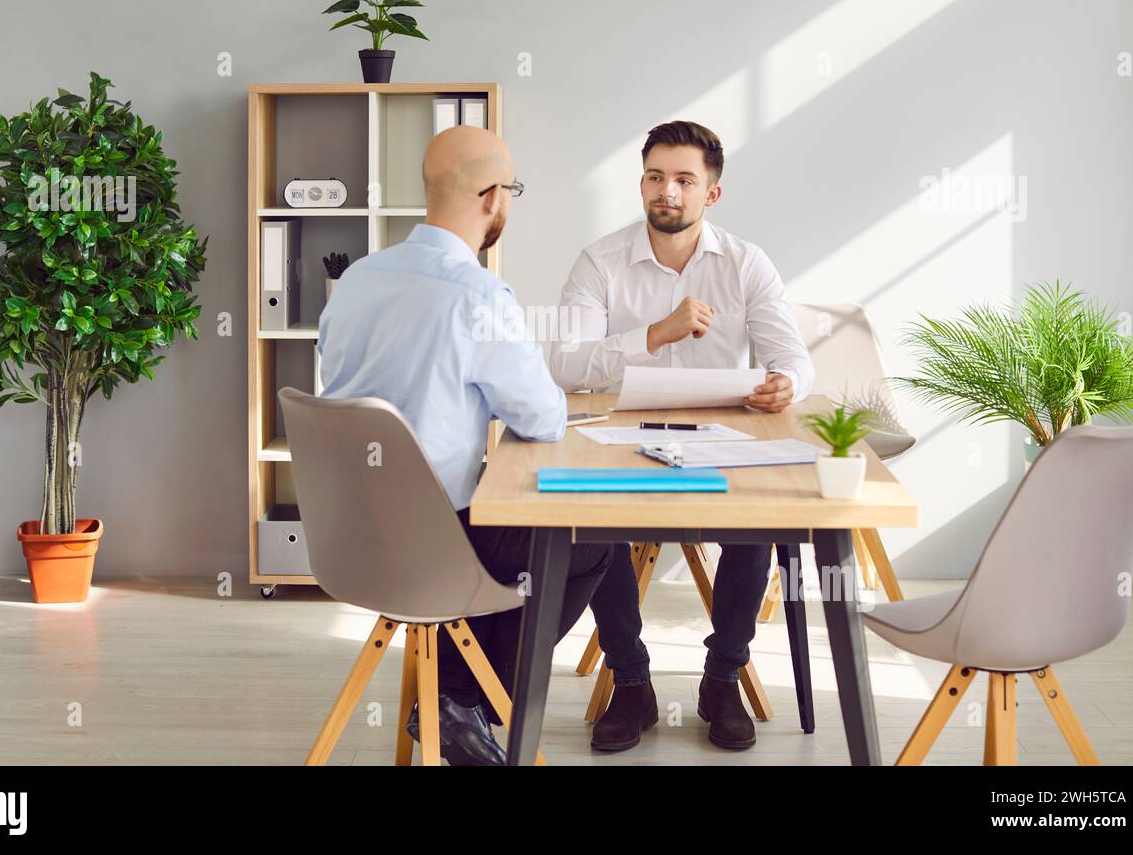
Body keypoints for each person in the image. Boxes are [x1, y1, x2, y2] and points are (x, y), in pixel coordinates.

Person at [318, 125, 613, 765]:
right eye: (511, 190)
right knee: (590, 534)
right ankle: (462, 698)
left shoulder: (356, 283)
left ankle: (456, 698)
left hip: (348, 539)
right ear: (491, 197)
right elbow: (543, 418)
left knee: (489, 520)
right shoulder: (479, 295)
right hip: (435, 549)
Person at [548, 120, 814, 752]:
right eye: (655, 177)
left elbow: (795, 359)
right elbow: (562, 364)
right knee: (591, 521)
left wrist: (787, 385)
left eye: (684, 180)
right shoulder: (600, 261)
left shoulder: (748, 264)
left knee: (758, 525)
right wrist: (654, 334)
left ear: (711, 195)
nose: (667, 191)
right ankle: (631, 680)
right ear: (641, 184)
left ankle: (721, 678)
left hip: (722, 441)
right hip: (622, 441)